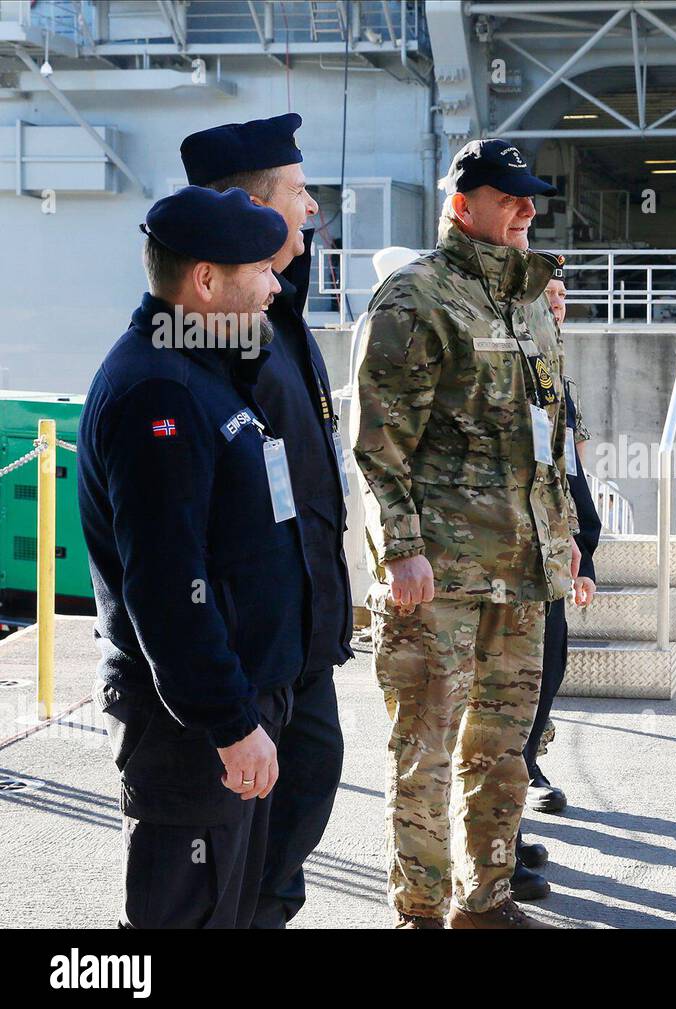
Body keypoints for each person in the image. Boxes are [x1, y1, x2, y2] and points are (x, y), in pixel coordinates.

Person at [352, 138, 580, 930]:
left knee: (502, 753)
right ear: (462, 205)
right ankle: (419, 912)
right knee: (424, 754)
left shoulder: (532, 299)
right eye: (507, 195)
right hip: (440, 577)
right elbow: (381, 439)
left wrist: (566, 535)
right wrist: (404, 549)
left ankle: (486, 902)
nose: (526, 207)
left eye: (531, 197)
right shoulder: (415, 297)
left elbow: (551, 432)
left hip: (522, 572)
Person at [77, 186, 311, 928]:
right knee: (184, 917)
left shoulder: (205, 369)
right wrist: (230, 722)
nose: (276, 285)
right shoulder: (158, 392)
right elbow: (169, 585)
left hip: (234, 699)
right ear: (206, 281)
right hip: (192, 726)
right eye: (260, 270)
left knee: (228, 911)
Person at [180, 112, 352, 930]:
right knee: (225, 863)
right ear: (246, 211)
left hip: (300, 627)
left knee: (309, 787)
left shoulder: (274, 308)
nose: (312, 207)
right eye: (297, 193)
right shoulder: (214, 332)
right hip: (247, 644)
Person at [512, 265, 602, 901]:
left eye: (563, 297)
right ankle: (497, 845)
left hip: (555, 555)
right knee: (508, 704)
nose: (560, 306)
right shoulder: (514, 371)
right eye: (549, 297)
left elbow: (571, 472)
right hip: (516, 559)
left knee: (546, 677)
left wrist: (584, 550)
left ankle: (511, 820)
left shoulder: (554, 376)